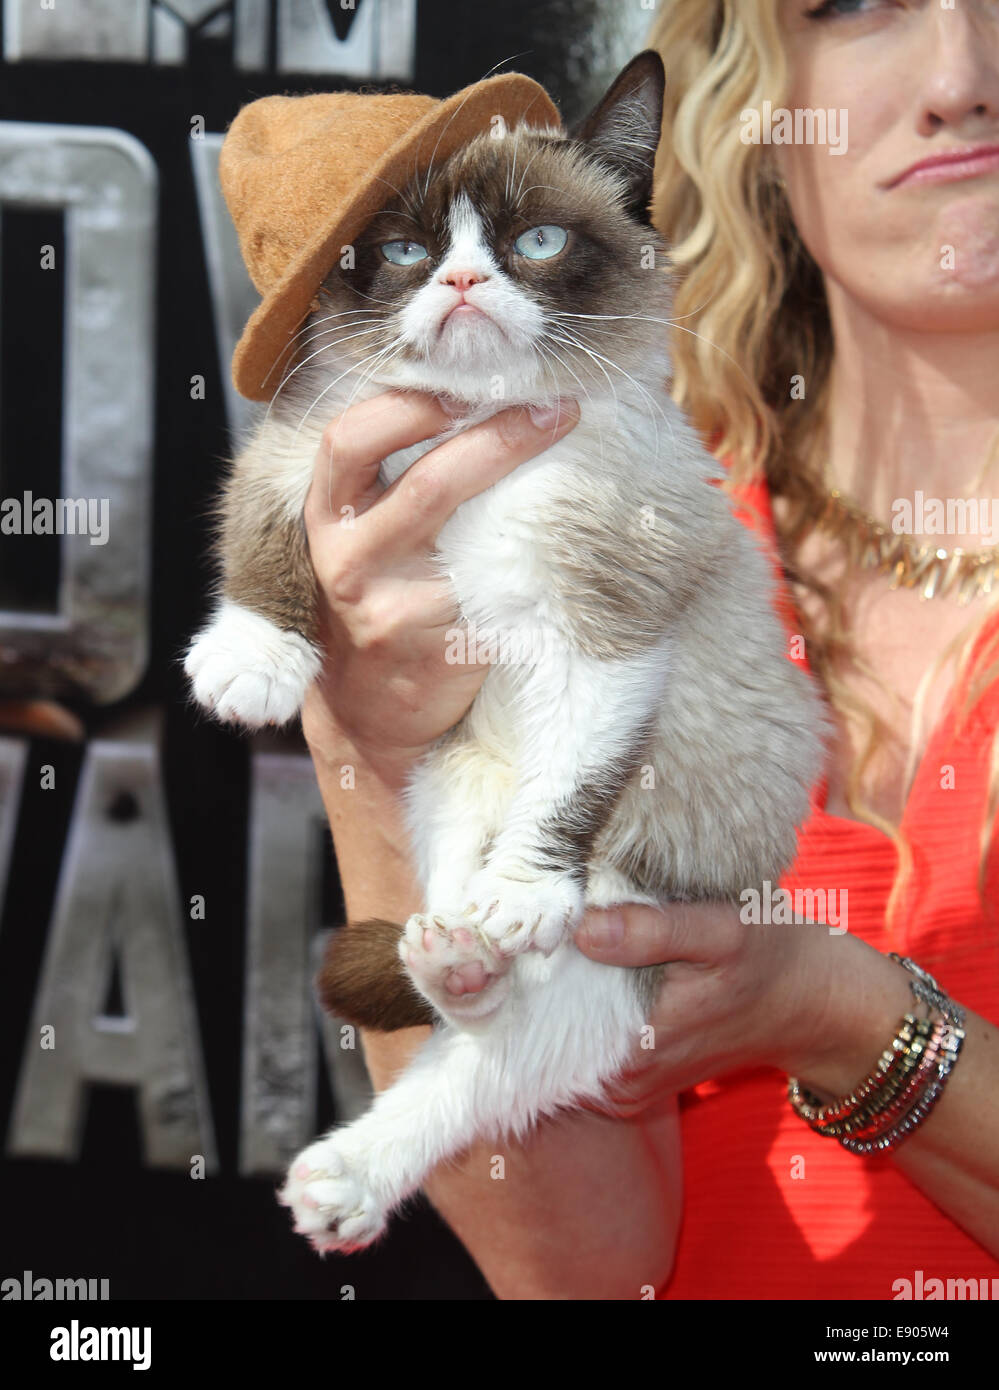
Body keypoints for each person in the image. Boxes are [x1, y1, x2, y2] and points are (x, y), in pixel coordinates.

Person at [298, 0, 999, 1299]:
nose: (961, 77)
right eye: (857, 3)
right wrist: (370, 742)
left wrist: (849, 1019)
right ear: (753, 95)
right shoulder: (597, 529)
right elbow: (577, 1274)